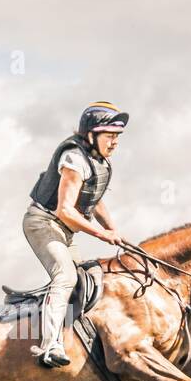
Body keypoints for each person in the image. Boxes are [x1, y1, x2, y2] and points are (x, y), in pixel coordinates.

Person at [23, 101, 131, 367]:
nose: (115, 142)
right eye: (110, 136)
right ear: (91, 134)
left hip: (63, 230)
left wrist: (112, 228)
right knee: (66, 276)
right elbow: (65, 211)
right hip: (43, 223)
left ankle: (78, 338)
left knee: (88, 278)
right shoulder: (74, 158)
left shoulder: (97, 161)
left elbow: (93, 201)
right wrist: (103, 235)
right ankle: (49, 346)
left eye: (117, 136)